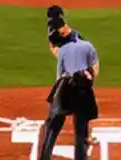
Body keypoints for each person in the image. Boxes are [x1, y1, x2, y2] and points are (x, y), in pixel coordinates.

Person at [38, 13, 99, 160]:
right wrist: (88, 85)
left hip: (65, 89)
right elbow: (95, 69)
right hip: (83, 90)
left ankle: (45, 156)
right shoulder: (88, 46)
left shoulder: (64, 50)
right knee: (81, 129)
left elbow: (59, 75)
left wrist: (56, 96)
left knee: (53, 123)